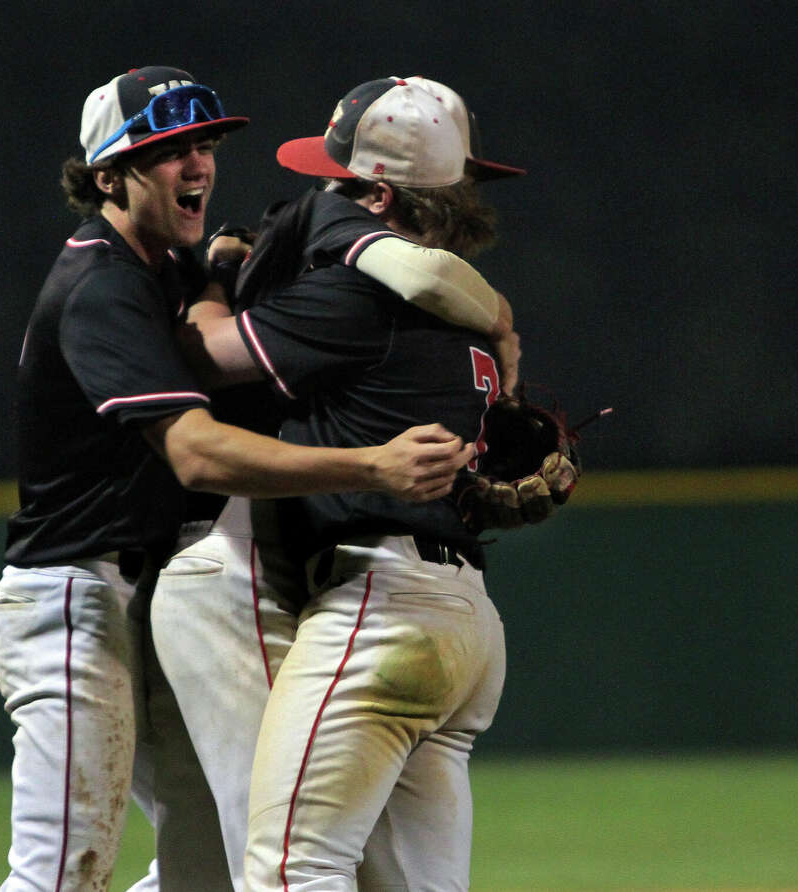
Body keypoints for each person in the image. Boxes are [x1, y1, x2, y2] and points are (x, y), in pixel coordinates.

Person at [0, 66, 475, 892]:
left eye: (205, 145)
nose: (199, 165)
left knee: (208, 867)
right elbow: (198, 454)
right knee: (61, 871)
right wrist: (370, 466)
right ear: (108, 176)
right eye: (169, 150)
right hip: (73, 597)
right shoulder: (100, 285)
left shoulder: (171, 272)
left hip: (147, 599)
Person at [153, 76, 523, 891]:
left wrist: (216, 275)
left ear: (378, 195)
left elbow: (209, 353)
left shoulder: (357, 293)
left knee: (294, 870)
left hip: (381, 608)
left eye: (340, 181)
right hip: (467, 623)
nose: (324, 192)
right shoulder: (473, 311)